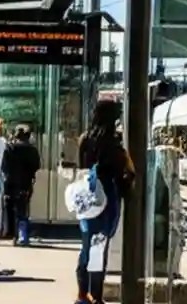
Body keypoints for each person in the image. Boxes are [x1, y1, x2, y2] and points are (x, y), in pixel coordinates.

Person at [75, 100, 134, 304]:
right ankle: (96, 296)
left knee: (86, 244)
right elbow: (125, 174)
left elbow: (82, 169)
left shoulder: (85, 139)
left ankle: (82, 293)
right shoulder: (115, 143)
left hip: (87, 196)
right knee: (100, 246)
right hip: (108, 197)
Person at [2, 126, 41, 246]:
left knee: (10, 208)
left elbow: (4, 166)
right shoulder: (32, 150)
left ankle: (12, 233)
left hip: (10, 183)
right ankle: (23, 235)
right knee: (22, 209)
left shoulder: (9, 148)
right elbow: (37, 166)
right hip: (25, 183)